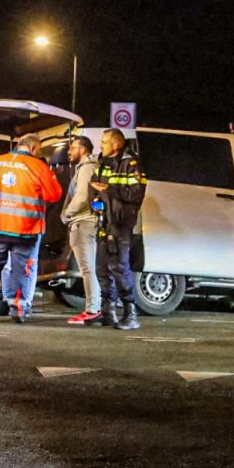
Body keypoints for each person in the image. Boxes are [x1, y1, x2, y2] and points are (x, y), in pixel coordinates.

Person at [0, 133, 62, 323]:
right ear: (33, 148)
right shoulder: (38, 166)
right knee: (23, 270)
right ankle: (18, 311)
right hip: (26, 229)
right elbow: (54, 195)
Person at [91, 128, 147, 330]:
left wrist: (111, 190)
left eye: (104, 142)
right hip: (103, 222)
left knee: (120, 268)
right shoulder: (103, 165)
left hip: (121, 224)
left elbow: (136, 194)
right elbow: (95, 192)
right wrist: (96, 205)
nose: (101, 146)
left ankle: (130, 314)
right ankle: (108, 313)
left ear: (115, 145)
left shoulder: (131, 164)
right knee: (101, 269)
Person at [61, 136, 102, 324]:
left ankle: (92, 309)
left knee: (87, 269)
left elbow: (81, 196)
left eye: (73, 148)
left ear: (83, 150)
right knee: (90, 268)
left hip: (83, 222)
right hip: (87, 221)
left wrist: (67, 215)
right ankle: (96, 307)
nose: (69, 151)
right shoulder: (88, 167)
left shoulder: (86, 169)